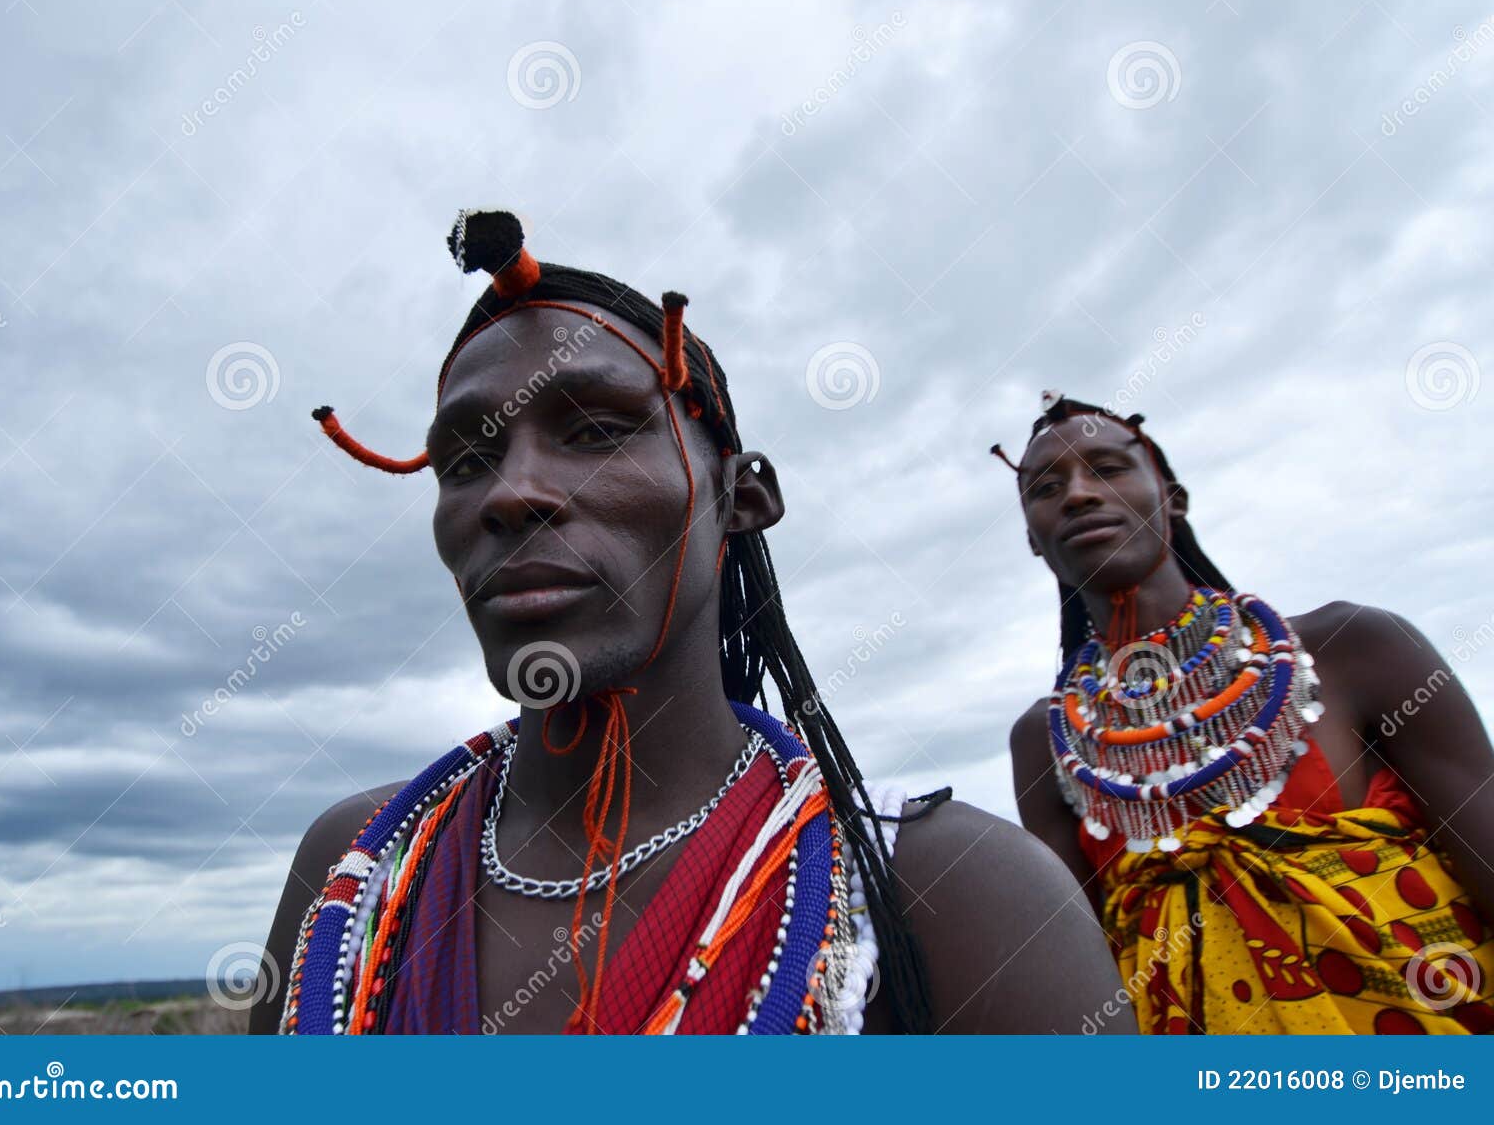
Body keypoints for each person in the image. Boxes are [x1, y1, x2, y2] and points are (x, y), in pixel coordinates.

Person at [246, 214, 1130, 1035]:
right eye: (468, 459)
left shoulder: (961, 898)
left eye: (595, 431)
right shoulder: (349, 866)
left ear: (741, 498)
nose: (512, 493)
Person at [996, 391, 1494, 1034]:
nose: (1078, 495)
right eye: (1045, 487)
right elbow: (1084, 973)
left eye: (1109, 469)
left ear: (1172, 497)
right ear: (1032, 539)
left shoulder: (1355, 647)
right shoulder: (1048, 740)